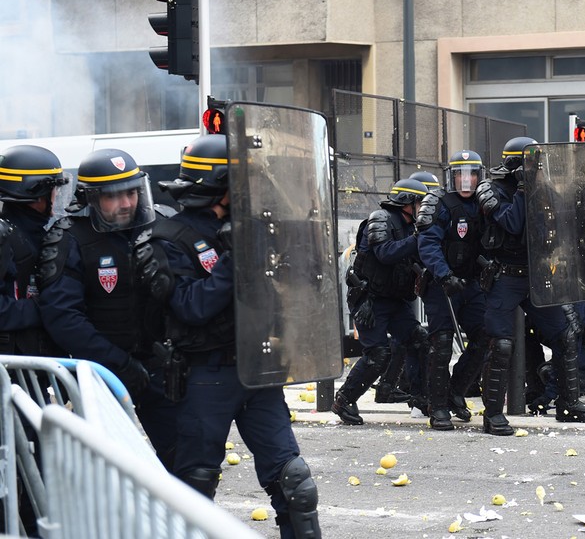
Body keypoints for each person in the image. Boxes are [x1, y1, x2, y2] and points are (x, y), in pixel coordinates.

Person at [135, 134, 321, 538]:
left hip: (258, 370)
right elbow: (191, 307)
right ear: (220, 184)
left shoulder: (250, 229)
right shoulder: (169, 238)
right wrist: (237, 260)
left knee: (296, 485)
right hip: (206, 375)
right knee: (194, 489)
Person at [37, 148, 179, 468]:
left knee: (187, 463)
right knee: (108, 470)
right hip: (102, 373)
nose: (126, 203)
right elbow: (63, 317)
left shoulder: (160, 225)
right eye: (113, 197)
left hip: (160, 368)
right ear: (91, 198)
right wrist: (118, 364)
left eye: (131, 192)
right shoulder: (69, 237)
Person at [475, 136, 585, 435]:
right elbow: (514, 223)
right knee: (501, 343)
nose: (538, 168)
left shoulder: (541, 188)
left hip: (536, 276)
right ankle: (492, 414)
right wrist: (522, 187)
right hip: (505, 276)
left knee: (566, 334)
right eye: (532, 162)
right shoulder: (490, 189)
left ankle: (568, 404)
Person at [333, 177, 429, 425]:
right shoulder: (380, 219)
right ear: (407, 202)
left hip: (395, 300)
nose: (423, 208)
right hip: (370, 301)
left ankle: (421, 398)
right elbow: (386, 253)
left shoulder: (411, 227)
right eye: (420, 203)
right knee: (377, 354)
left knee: (419, 340)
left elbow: (413, 259)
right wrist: (417, 239)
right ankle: (344, 399)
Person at [416, 150, 489, 430]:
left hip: (472, 284)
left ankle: (456, 390)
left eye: (472, 173)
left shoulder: (484, 201)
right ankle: (437, 407)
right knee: (441, 344)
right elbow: (428, 243)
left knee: (485, 338)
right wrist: (444, 275)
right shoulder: (438, 202)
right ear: (452, 176)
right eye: (461, 174)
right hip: (442, 285)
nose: (467, 180)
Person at [0, 146, 68, 356]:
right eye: (54, 190)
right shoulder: (4, 236)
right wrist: (47, 309)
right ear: (36, 194)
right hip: (12, 369)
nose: (56, 197)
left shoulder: (35, 234)